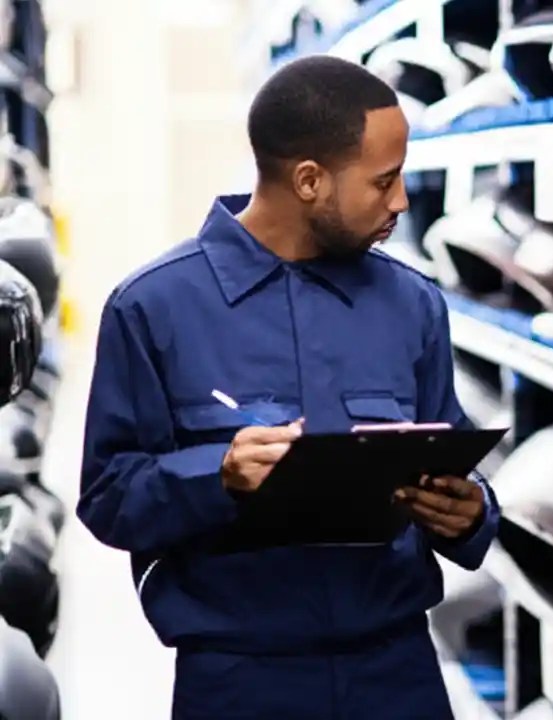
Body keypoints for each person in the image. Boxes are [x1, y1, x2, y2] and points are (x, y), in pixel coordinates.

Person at [77, 55, 499, 719]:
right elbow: (108, 497)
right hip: (242, 682)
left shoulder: (413, 305)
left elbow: (445, 454)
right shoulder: (153, 308)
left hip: (397, 675)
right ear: (309, 181)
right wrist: (215, 475)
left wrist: (470, 514)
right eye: (383, 181)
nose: (402, 202)